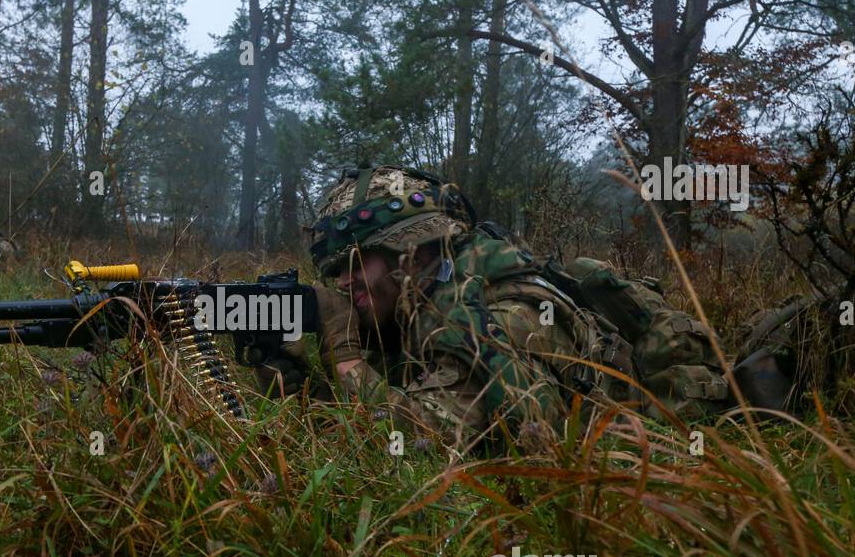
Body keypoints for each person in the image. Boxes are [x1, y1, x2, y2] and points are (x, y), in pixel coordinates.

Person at [253, 164, 606, 451]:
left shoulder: (502, 316)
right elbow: (368, 426)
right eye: (335, 272)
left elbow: (426, 445)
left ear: (414, 251)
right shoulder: (408, 315)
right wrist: (301, 390)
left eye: (355, 264)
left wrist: (345, 359)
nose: (343, 282)